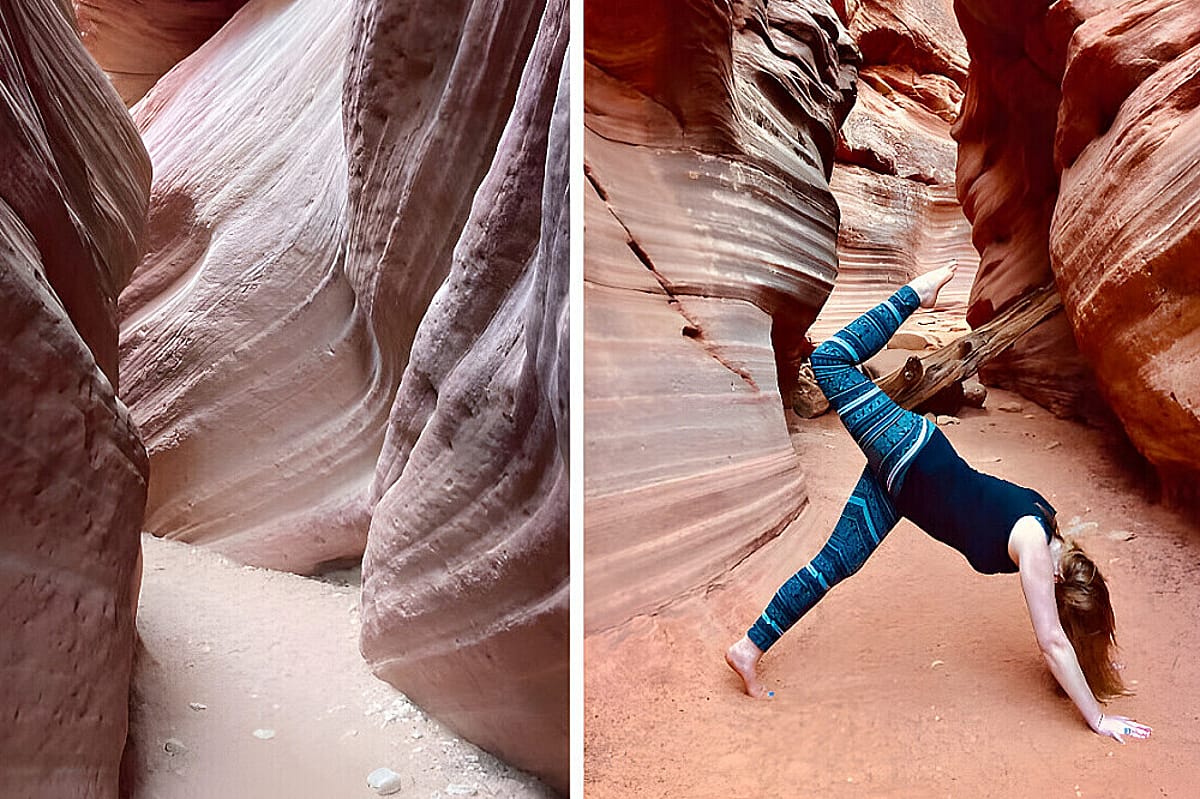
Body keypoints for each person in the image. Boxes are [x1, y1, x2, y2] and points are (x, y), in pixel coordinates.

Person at [725, 264, 1151, 744]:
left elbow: (1060, 634)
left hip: (903, 492)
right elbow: (1051, 640)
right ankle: (915, 294)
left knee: (831, 567)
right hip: (912, 453)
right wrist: (1097, 719)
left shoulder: (1047, 525)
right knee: (829, 363)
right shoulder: (1033, 544)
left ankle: (748, 648)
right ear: (1057, 577)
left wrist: (1093, 648)